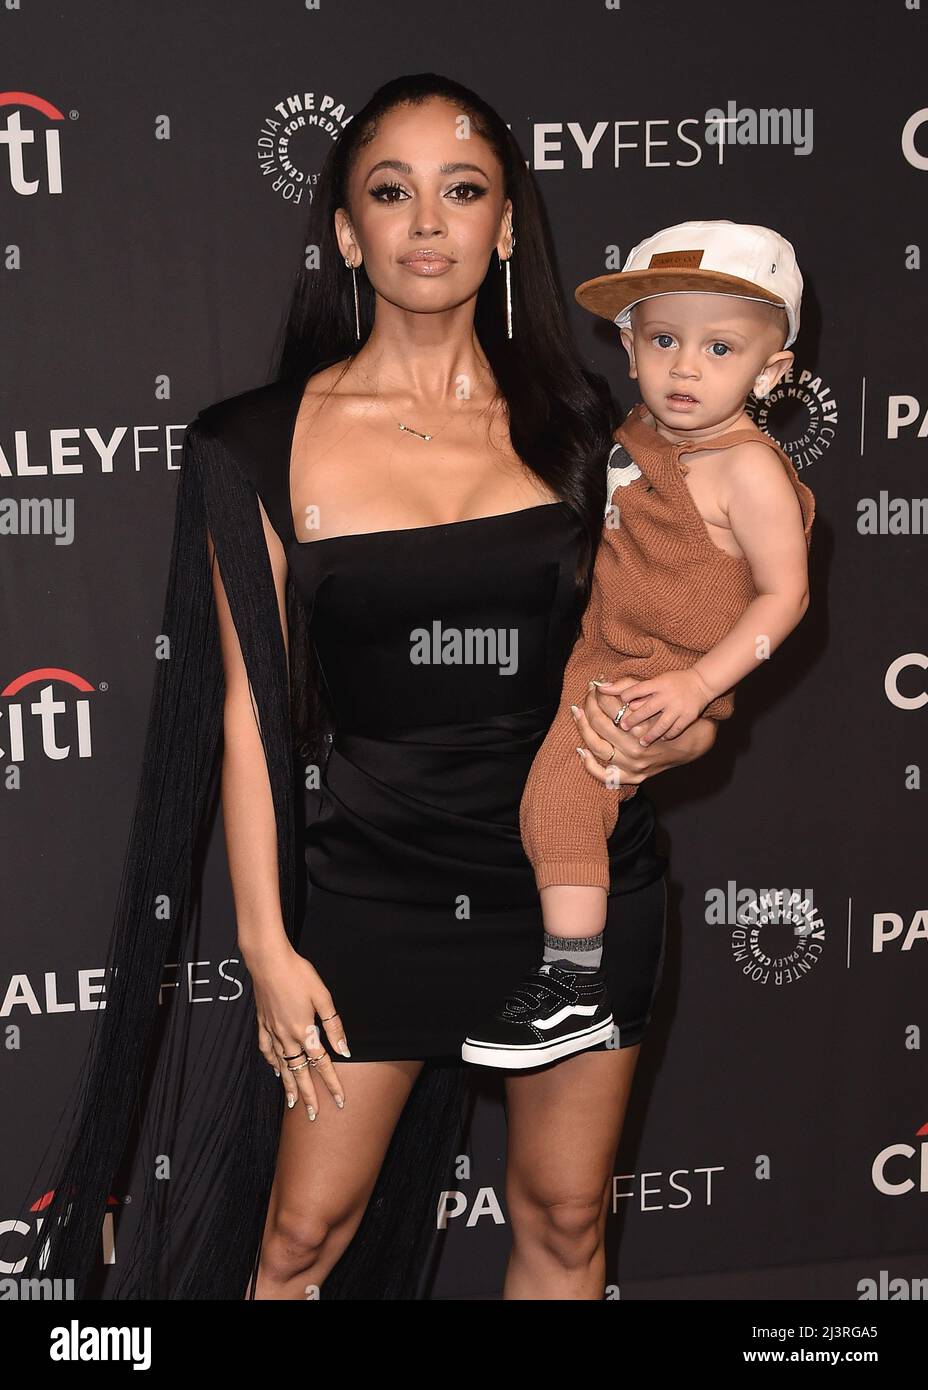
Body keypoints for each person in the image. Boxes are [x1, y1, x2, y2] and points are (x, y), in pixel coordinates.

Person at [13, 76, 719, 1302]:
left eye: (463, 192)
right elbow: (245, 706)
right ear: (347, 231)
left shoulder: (588, 428)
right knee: (296, 1244)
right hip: (373, 886)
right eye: (391, 194)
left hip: (577, 883)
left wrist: (687, 730)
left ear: (506, 227)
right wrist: (266, 946)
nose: (428, 223)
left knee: (562, 1219)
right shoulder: (256, 444)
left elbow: (668, 653)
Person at [462, 220, 815, 1070]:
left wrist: (699, 687)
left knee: (561, 794)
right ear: (629, 346)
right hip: (604, 650)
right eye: (664, 339)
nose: (686, 368)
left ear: (771, 372)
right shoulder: (640, 429)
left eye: (720, 348)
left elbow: (787, 594)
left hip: (661, 670)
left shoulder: (748, 470)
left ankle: (574, 985)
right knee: (547, 799)